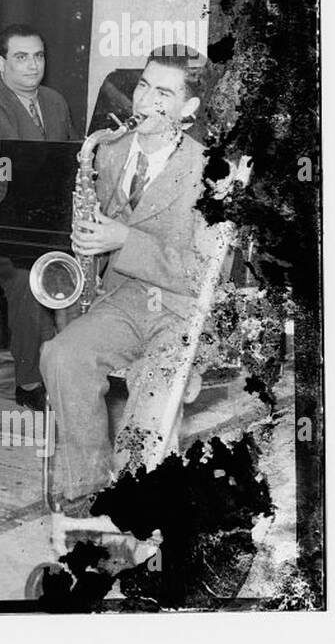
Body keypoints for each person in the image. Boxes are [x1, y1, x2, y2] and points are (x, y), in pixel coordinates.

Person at [40, 47, 213, 507]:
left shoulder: (208, 172)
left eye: (163, 93)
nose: (145, 102)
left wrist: (122, 240)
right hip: (118, 300)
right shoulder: (110, 151)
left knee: (154, 384)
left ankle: (138, 502)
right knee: (62, 356)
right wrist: (88, 243)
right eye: (142, 86)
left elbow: (202, 273)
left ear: (188, 109)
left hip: (178, 312)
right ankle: (87, 486)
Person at [0, 24, 78, 409]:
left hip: (44, 220)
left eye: (38, 56)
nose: (32, 65)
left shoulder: (55, 102)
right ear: (1, 63)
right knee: (29, 276)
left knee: (86, 261)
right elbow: (1, 168)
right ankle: (30, 382)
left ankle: (72, 365)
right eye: (21, 57)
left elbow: (75, 159)